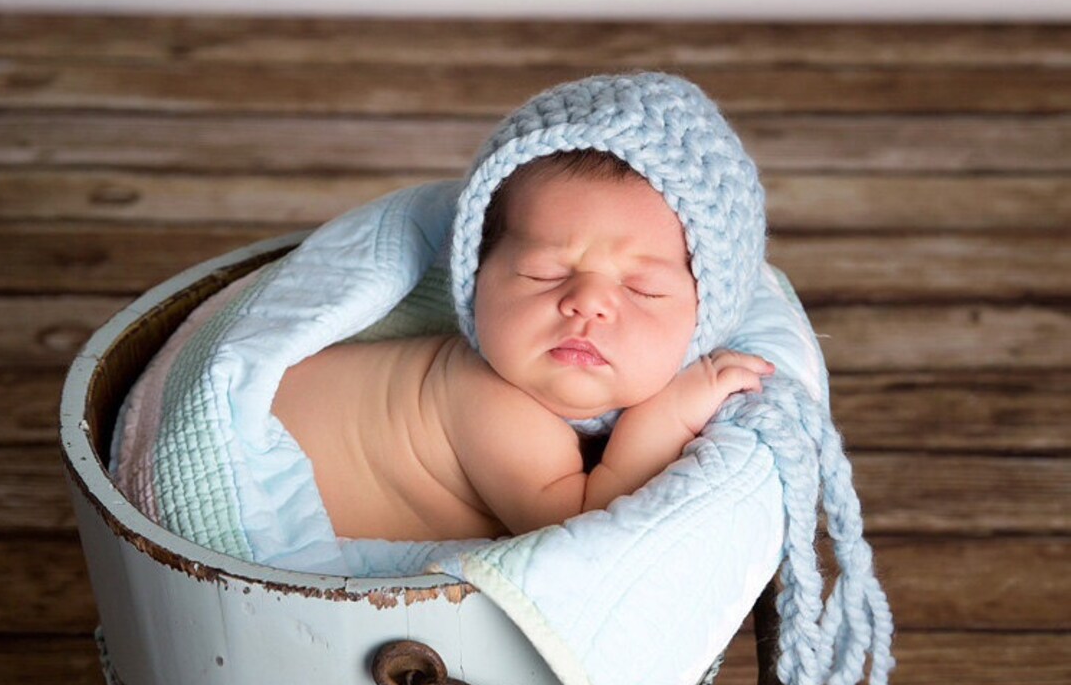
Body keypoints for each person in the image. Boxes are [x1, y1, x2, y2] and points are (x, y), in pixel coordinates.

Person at [272, 145, 773, 542]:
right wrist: (666, 417)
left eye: (642, 289)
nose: (586, 304)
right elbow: (585, 532)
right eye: (543, 273)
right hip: (265, 477)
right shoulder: (491, 400)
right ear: (475, 280)